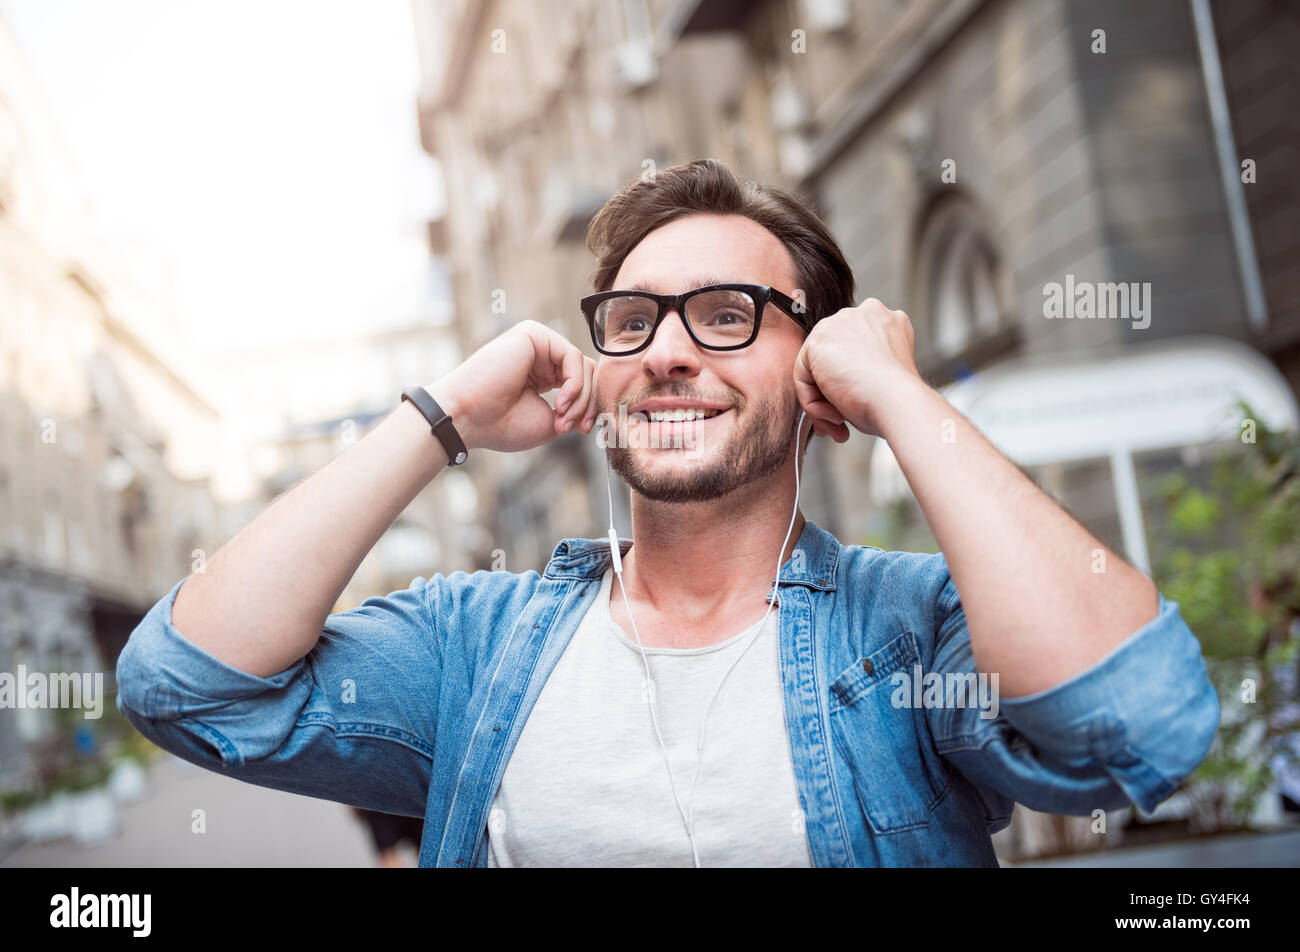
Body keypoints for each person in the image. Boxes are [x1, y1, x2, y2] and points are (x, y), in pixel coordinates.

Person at [115, 159, 1220, 867]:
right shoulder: (474, 647)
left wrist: (901, 397)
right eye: (633, 319)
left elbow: (1138, 727)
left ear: (820, 388)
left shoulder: (905, 635)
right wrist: (443, 412)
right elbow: (186, 684)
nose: (671, 350)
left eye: (729, 315)